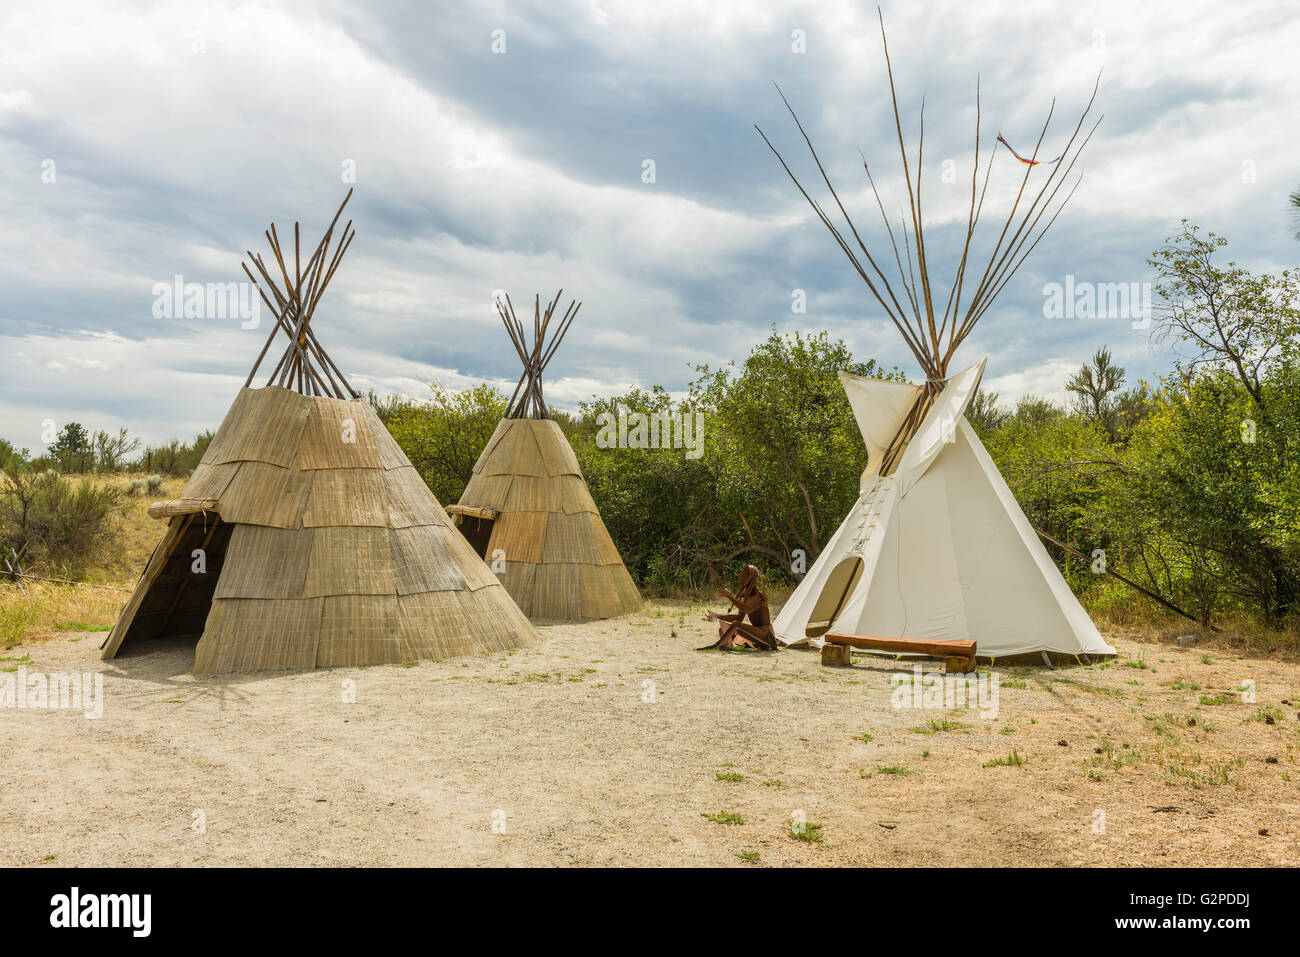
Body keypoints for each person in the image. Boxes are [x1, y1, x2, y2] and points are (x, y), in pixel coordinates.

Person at [698, 564, 777, 651]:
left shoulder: (761, 596)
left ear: (750, 578)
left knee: (735, 624)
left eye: (744, 575)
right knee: (722, 630)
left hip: (766, 636)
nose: (741, 577)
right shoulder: (745, 596)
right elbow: (739, 618)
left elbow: (746, 610)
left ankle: (715, 646)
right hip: (756, 635)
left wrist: (730, 597)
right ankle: (727, 646)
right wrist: (719, 616)